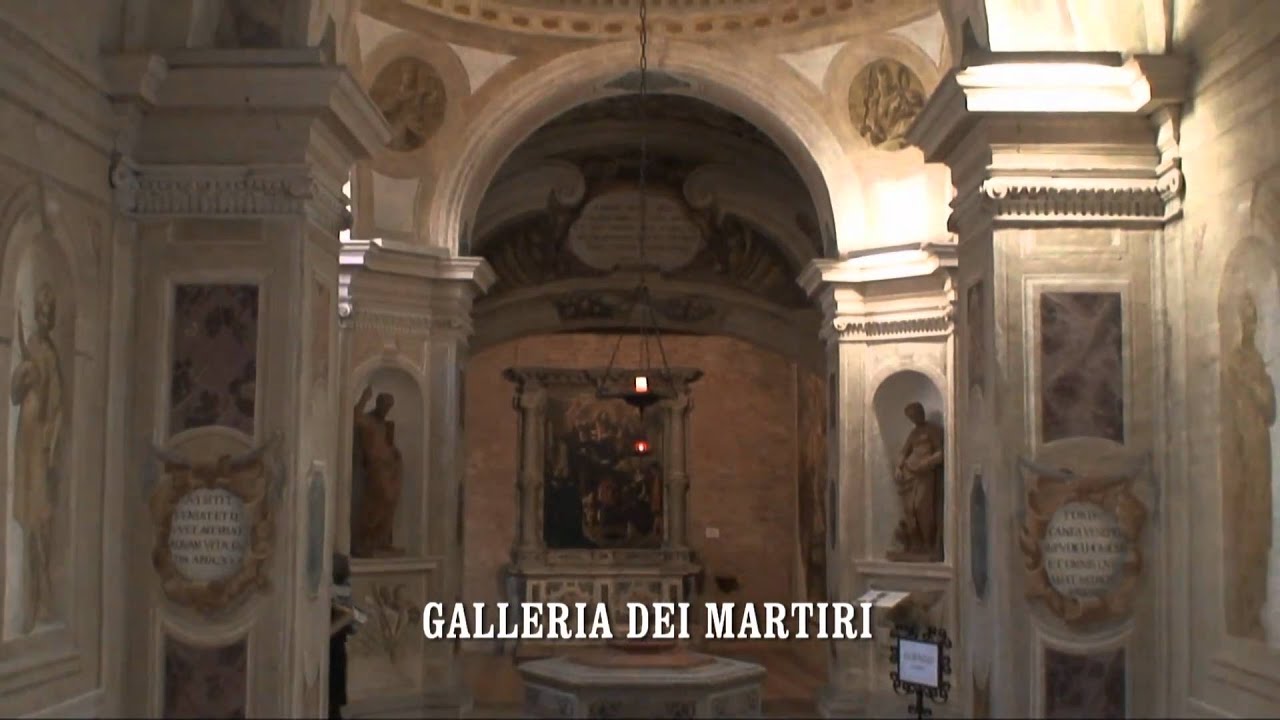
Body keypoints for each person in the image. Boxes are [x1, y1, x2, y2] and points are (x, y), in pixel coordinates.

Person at [9, 282, 64, 632]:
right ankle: (30, 602)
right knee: (28, 521)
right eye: (40, 311)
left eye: (49, 312)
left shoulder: (52, 355)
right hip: (24, 444)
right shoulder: (30, 347)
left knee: (40, 521)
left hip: (39, 447)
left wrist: (50, 445)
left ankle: (42, 599)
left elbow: (57, 409)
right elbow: (15, 396)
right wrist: (22, 376)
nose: (44, 317)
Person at [352, 387, 403, 556]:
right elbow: (354, 417)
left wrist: (393, 451)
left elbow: (383, 444)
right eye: (385, 405)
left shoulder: (383, 425)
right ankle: (365, 542)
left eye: (389, 407)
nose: (386, 410)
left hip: (390, 468)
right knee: (378, 503)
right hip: (376, 469)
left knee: (390, 504)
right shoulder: (368, 420)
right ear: (378, 403)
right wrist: (364, 398)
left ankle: (381, 542)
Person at [892, 402, 944, 559]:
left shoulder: (933, 430)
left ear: (921, 412)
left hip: (925, 473)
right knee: (910, 509)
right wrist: (898, 467)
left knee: (922, 507)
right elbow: (903, 452)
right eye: (911, 417)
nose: (915, 418)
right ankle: (916, 543)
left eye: (916, 414)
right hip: (910, 472)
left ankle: (928, 543)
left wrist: (927, 463)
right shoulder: (914, 434)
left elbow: (941, 453)